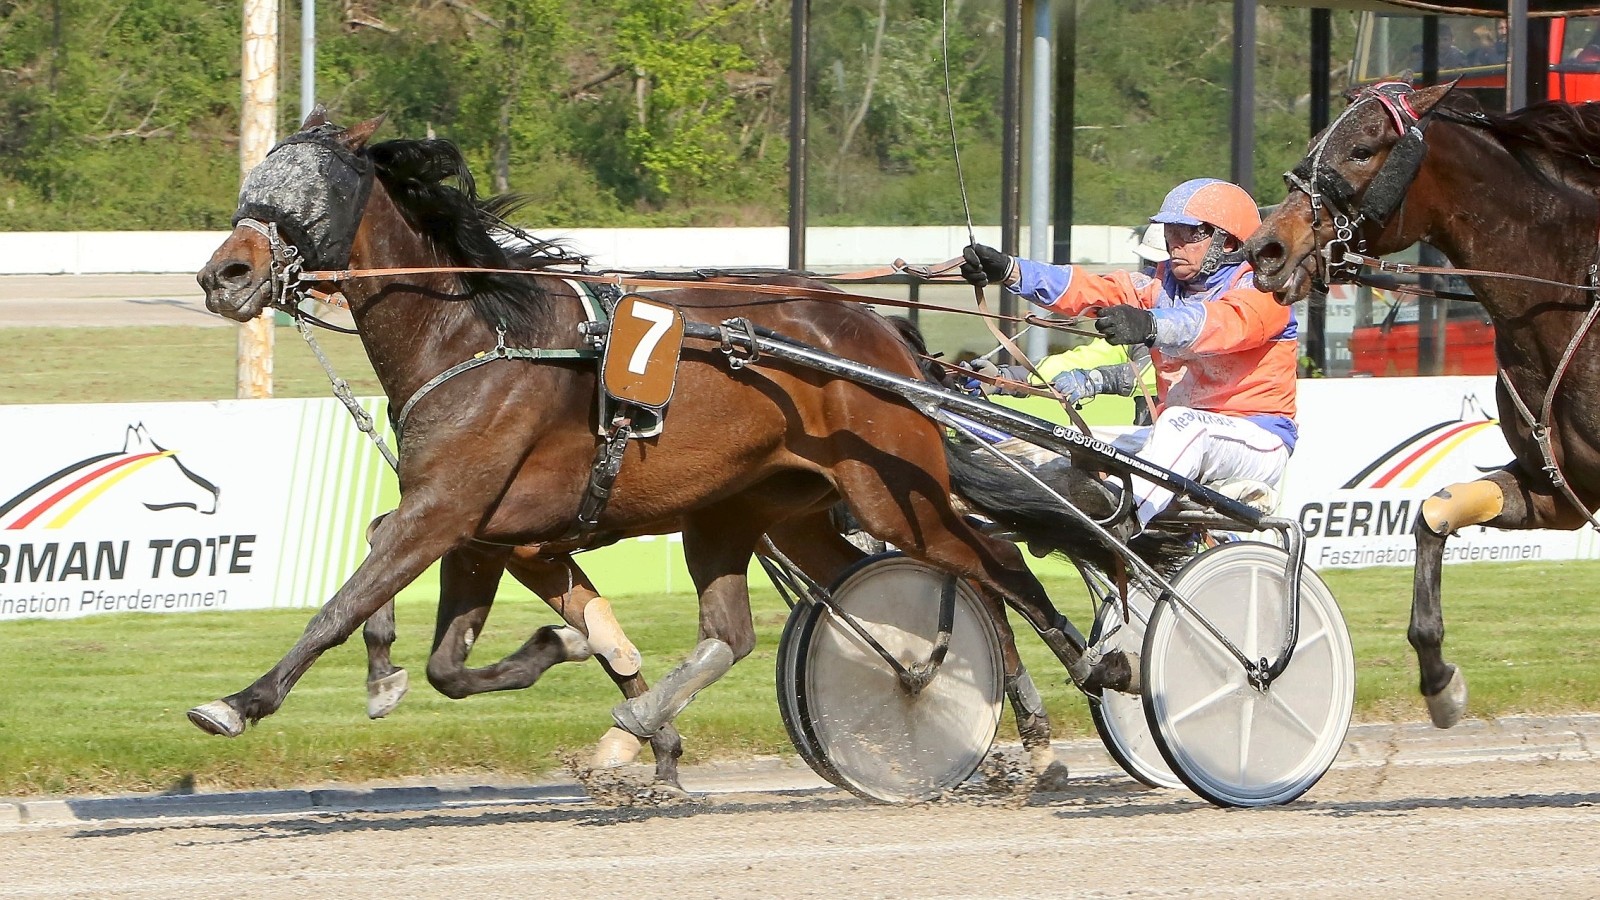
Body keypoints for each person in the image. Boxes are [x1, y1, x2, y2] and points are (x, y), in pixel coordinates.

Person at [959, 177, 1298, 529]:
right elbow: (1089, 288)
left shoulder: (1266, 289)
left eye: (1187, 232)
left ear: (1227, 240)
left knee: (1179, 424)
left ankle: (1125, 522)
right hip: (1182, 433)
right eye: (1170, 230)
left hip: (1258, 439)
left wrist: (1149, 324)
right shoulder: (1160, 285)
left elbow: (1220, 323)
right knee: (1075, 441)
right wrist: (1012, 271)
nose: (1173, 242)